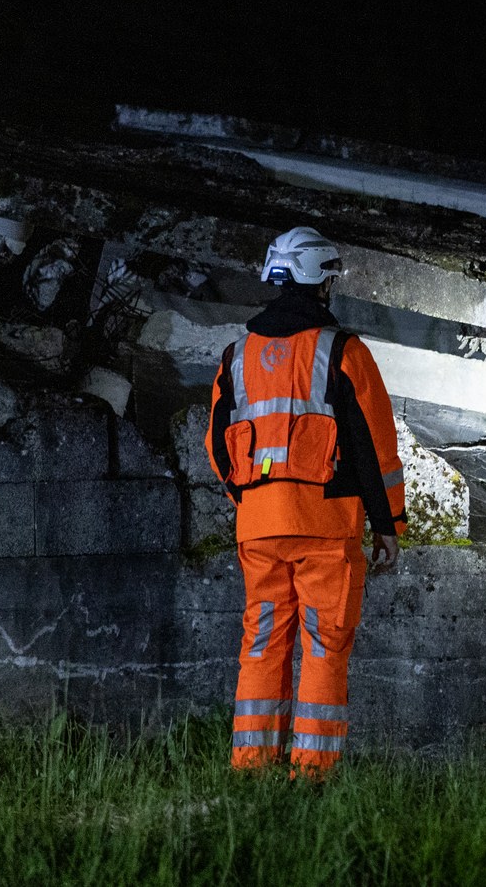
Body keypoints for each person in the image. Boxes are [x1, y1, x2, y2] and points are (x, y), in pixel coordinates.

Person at [206, 226, 407, 778]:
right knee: (323, 647)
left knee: (263, 645)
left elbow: (218, 447)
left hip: (259, 529)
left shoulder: (236, 355)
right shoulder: (343, 351)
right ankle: (311, 777)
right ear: (320, 279)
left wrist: (251, 503)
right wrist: (388, 523)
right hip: (326, 526)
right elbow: (374, 446)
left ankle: (251, 767)